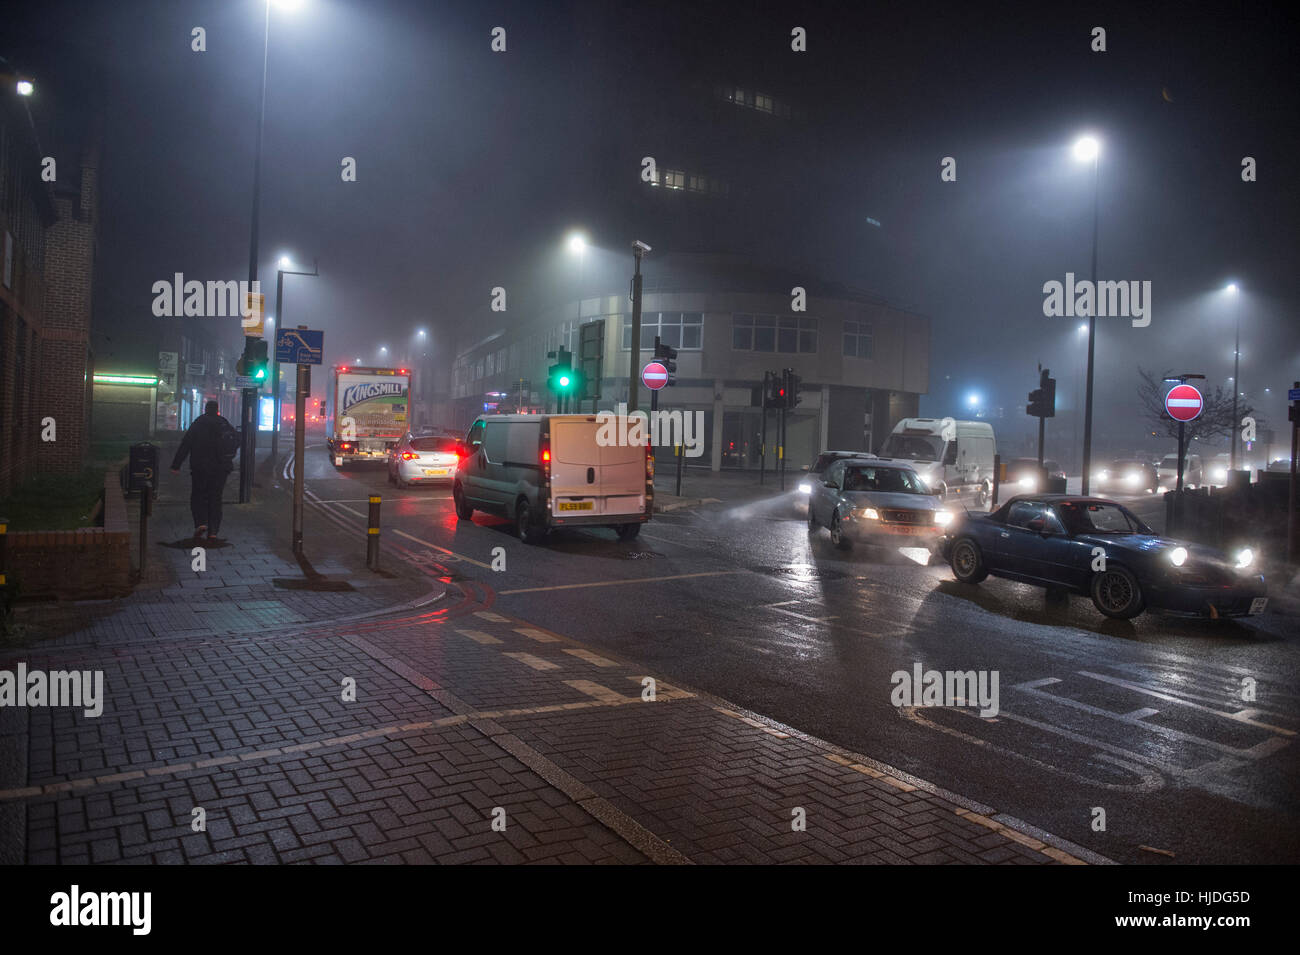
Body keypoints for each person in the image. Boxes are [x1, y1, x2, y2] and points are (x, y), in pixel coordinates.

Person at [170, 400, 239, 540]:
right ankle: (213, 531)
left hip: (200, 466)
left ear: (205, 409)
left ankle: (201, 523)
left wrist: (176, 465)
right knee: (216, 497)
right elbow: (237, 439)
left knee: (198, 494)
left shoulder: (198, 423)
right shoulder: (224, 423)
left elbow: (186, 444)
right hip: (221, 467)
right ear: (217, 410)